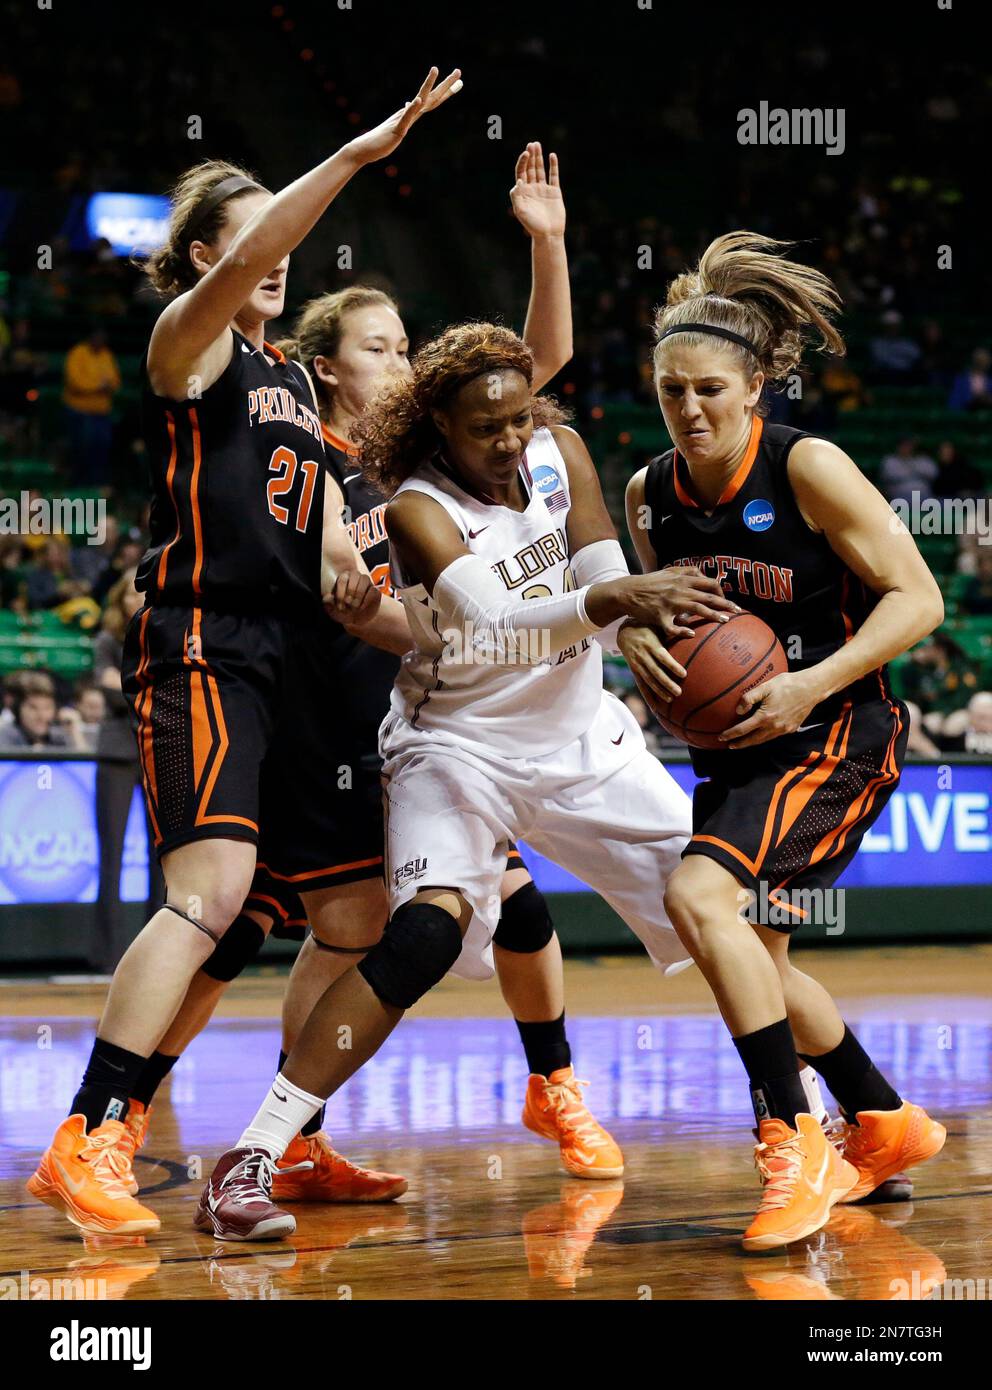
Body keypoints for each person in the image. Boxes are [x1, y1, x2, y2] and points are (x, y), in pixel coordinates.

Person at [123, 147, 626, 1194]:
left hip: (401, 716)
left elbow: (534, 366)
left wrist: (545, 242)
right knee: (234, 932)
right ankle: (126, 1118)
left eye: (406, 347)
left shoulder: (414, 463)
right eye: (383, 348)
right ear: (327, 362)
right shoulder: (288, 415)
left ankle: (548, 1087)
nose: (404, 364)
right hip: (294, 710)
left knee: (495, 908)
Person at [27, 65, 463, 1239]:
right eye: (250, 233)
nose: (276, 253)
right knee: (209, 895)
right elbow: (236, 271)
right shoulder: (192, 347)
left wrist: (454, 629)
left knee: (358, 919)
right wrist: (356, 159)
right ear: (207, 255)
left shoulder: (289, 383)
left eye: (280, 233)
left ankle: (295, 1140)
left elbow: (342, 568)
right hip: (204, 641)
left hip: (290, 666)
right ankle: (91, 1134)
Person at [196, 320, 739, 1241]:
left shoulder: (560, 450)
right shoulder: (413, 502)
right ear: (439, 427)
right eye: (485, 426)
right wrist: (612, 604)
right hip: (456, 743)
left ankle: (818, 1114)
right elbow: (494, 628)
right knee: (422, 934)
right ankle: (255, 1151)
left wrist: (637, 629)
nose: (508, 438)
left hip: (579, 741)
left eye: (518, 418)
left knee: (731, 909)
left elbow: (602, 578)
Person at [622, 232, 946, 1251]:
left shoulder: (805, 463)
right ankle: (884, 1122)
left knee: (695, 898)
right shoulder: (648, 496)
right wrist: (634, 628)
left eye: (710, 388)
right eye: (671, 390)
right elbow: (657, 613)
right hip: (735, 751)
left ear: (755, 381)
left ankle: (791, 1136)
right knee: (751, 956)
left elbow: (920, 599)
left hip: (836, 727)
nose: (690, 409)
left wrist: (808, 678)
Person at [91, 568, 165, 973]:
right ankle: (105, 957)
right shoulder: (107, 641)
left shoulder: (164, 637)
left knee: (162, 857)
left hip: (155, 749)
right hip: (118, 755)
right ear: (118, 601)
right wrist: (145, 687)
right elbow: (112, 690)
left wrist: (128, 687)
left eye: (143, 594)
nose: (136, 601)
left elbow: (124, 688)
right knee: (111, 855)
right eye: (129, 595)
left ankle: (156, 956)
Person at [62, 325, 121, 485]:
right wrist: (98, 386)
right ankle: (78, 483)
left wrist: (105, 385)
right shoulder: (78, 353)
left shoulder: (106, 355)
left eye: (103, 337)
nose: (100, 340)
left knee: (102, 448)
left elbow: (115, 381)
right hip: (80, 411)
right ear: (91, 337)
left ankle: (97, 484)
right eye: (97, 336)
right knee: (82, 448)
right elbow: (76, 382)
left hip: (101, 413)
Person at [0, 670, 72, 749]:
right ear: (17, 709)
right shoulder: (4, 737)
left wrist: (75, 734)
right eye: (33, 708)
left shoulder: (60, 737)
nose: (41, 715)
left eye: (47, 708)